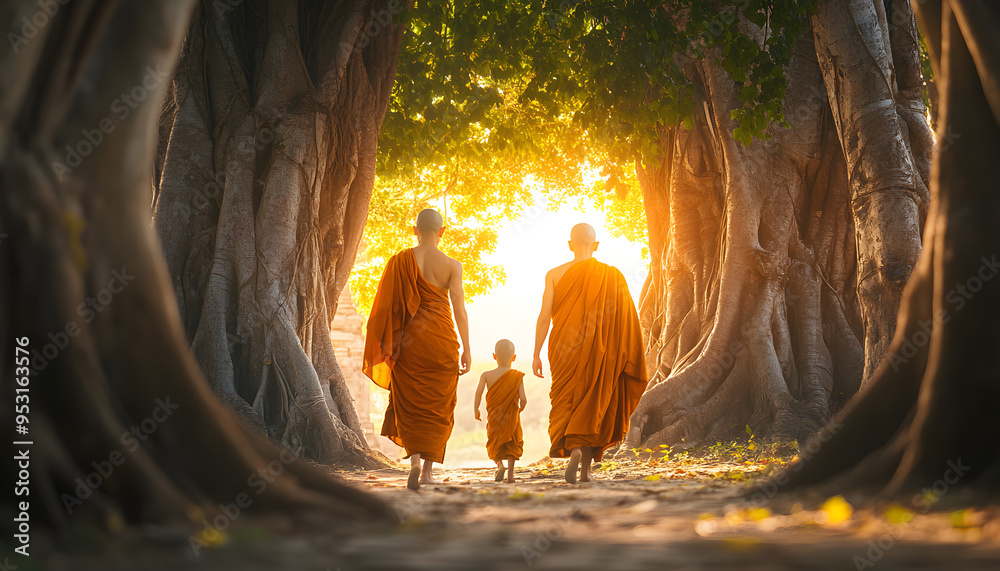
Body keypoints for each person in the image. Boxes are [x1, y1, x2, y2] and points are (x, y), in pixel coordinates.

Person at [363, 208, 472, 491]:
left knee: (409, 402)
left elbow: (385, 309)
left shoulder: (400, 261)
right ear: (442, 231)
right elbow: (459, 309)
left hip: (408, 344)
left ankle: (412, 462)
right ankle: (426, 471)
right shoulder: (452, 265)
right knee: (438, 404)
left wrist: (389, 343)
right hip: (441, 341)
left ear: (415, 230)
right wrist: (468, 348)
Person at [533, 223, 646, 483]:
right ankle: (585, 471)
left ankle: (572, 449)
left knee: (565, 400)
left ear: (570, 244)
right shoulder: (612, 275)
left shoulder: (554, 274)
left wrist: (536, 352)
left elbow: (543, 318)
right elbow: (625, 319)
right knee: (595, 402)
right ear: (595, 245)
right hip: (600, 349)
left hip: (563, 346)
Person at [474, 339, 527, 483]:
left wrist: (476, 410)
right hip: (512, 416)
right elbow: (523, 398)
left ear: (494, 356)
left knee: (494, 441)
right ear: (514, 357)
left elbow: (478, 394)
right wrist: (521, 407)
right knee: (512, 442)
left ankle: (500, 465)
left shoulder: (486, 375)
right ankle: (510, 475)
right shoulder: (517, 376)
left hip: (495, 417)